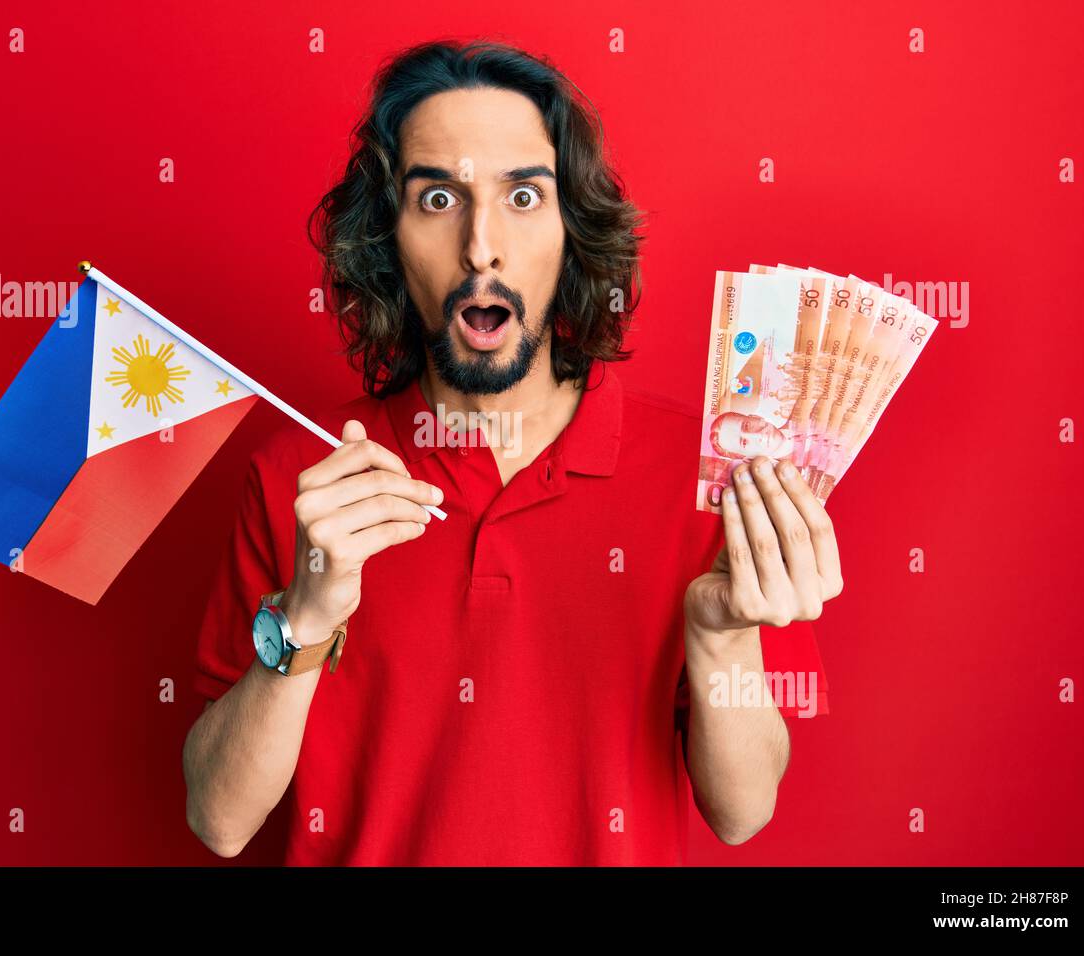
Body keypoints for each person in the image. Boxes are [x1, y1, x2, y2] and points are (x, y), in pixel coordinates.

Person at [182, 39, 842, 865]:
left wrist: (719, 638)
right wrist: (306, 620)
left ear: (573, 234)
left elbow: (743, 812)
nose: (480, 246)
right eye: (436, 199)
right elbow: (219, 819)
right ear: (387, 240)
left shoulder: (705, 470)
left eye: (524, 196)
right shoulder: (302, 481)